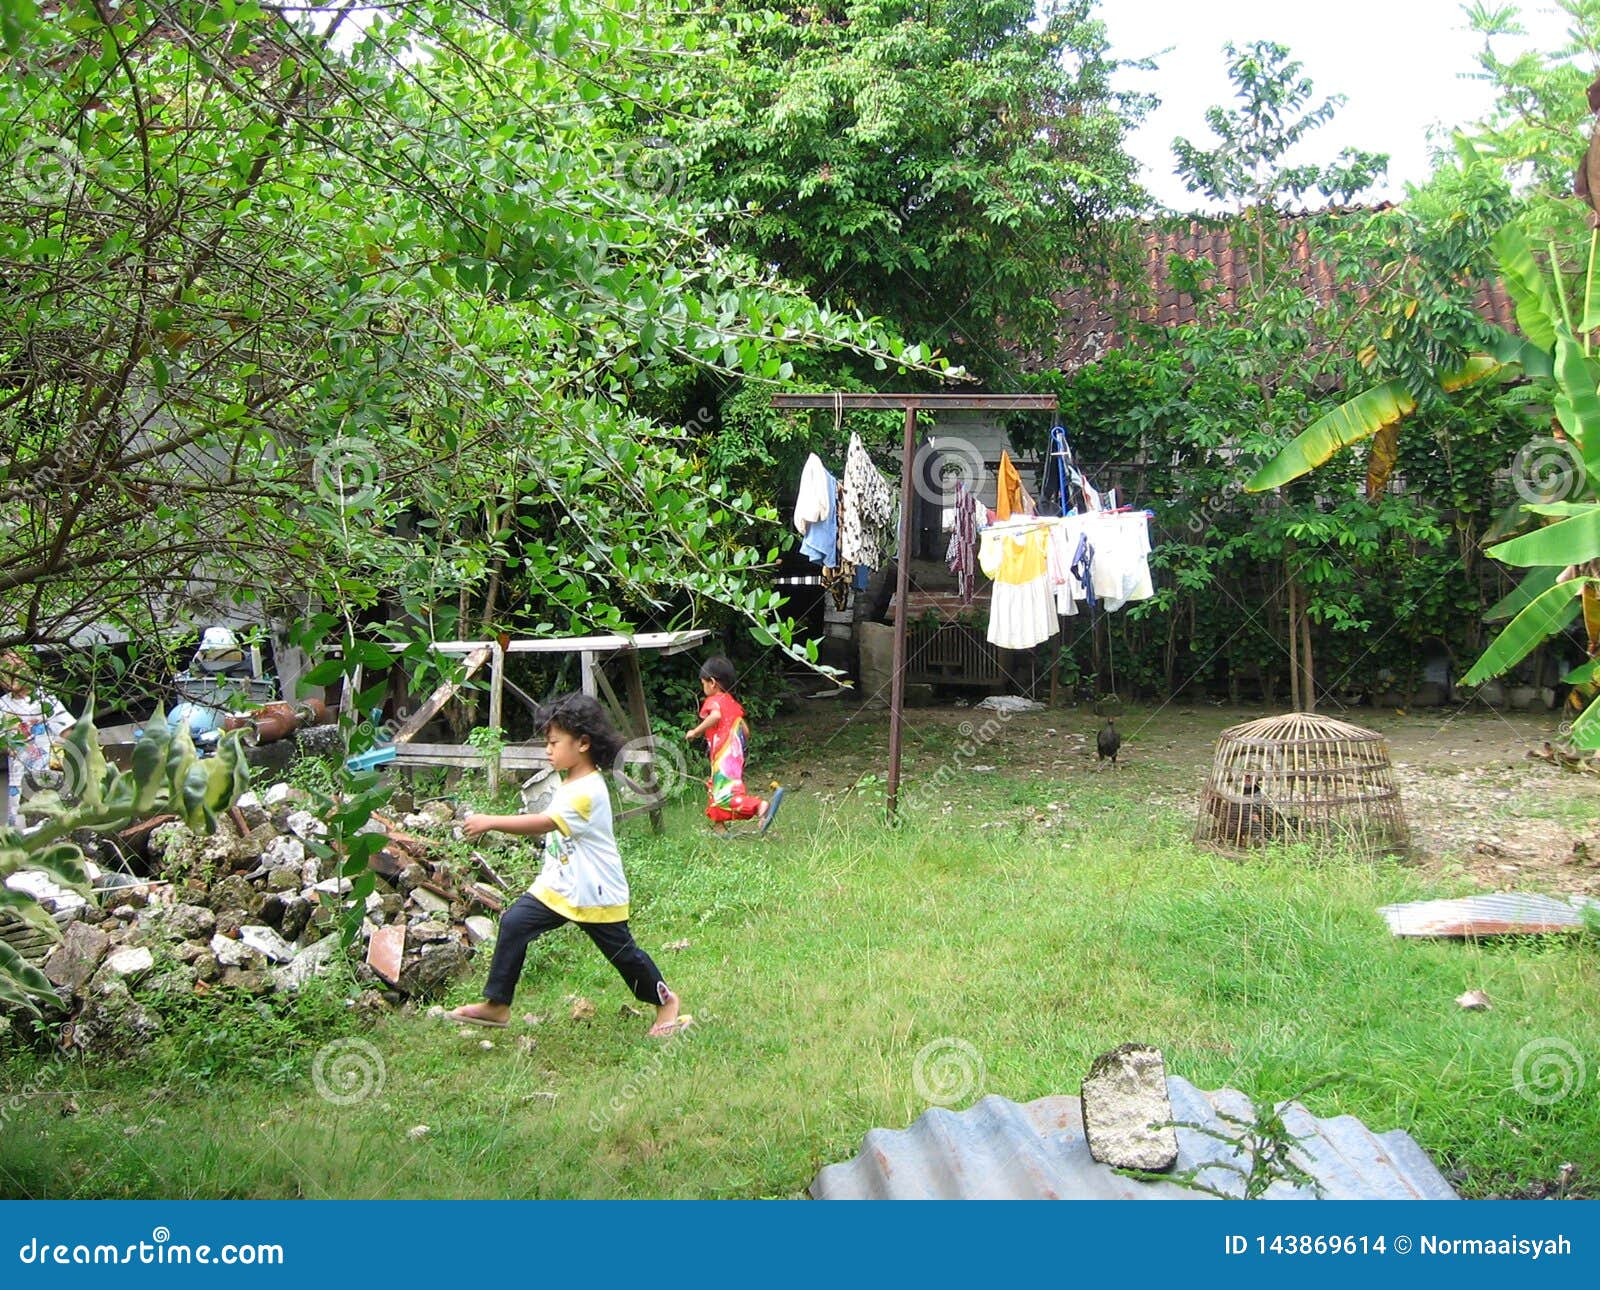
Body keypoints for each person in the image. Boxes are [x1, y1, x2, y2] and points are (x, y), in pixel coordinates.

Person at [448, 693, 691, 1038]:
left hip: (595, 891)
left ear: (583, 743)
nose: (547, 750)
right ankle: (497, 1005)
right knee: (515, 922)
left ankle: (666, 1003)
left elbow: (545, 822)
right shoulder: (572, 781)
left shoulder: (587, 790)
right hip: (560, 886)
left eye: (553, 742)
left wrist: (490, 820)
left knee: (625, 956)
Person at [684, 656, 783, 835]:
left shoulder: (714, 700)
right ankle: (719, 828)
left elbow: (715, 717)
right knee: (716, 787)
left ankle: (759, 806)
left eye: (703, 683)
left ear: (712, 682)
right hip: (734, 755)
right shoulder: (731, 702)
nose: (703, 688)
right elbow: (745, 730)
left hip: (723, 755)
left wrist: (695, 732)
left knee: (724, 794)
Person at [1, 650, 75, 827]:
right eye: (2, 672)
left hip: (52, 772)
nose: (10, 675)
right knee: (23, 823)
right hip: (19, 778)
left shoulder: (45, 697)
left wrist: (59, 765)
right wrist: (7, 747)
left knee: (58, 817)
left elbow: (65, 733)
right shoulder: (3, 705)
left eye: (15, 668)